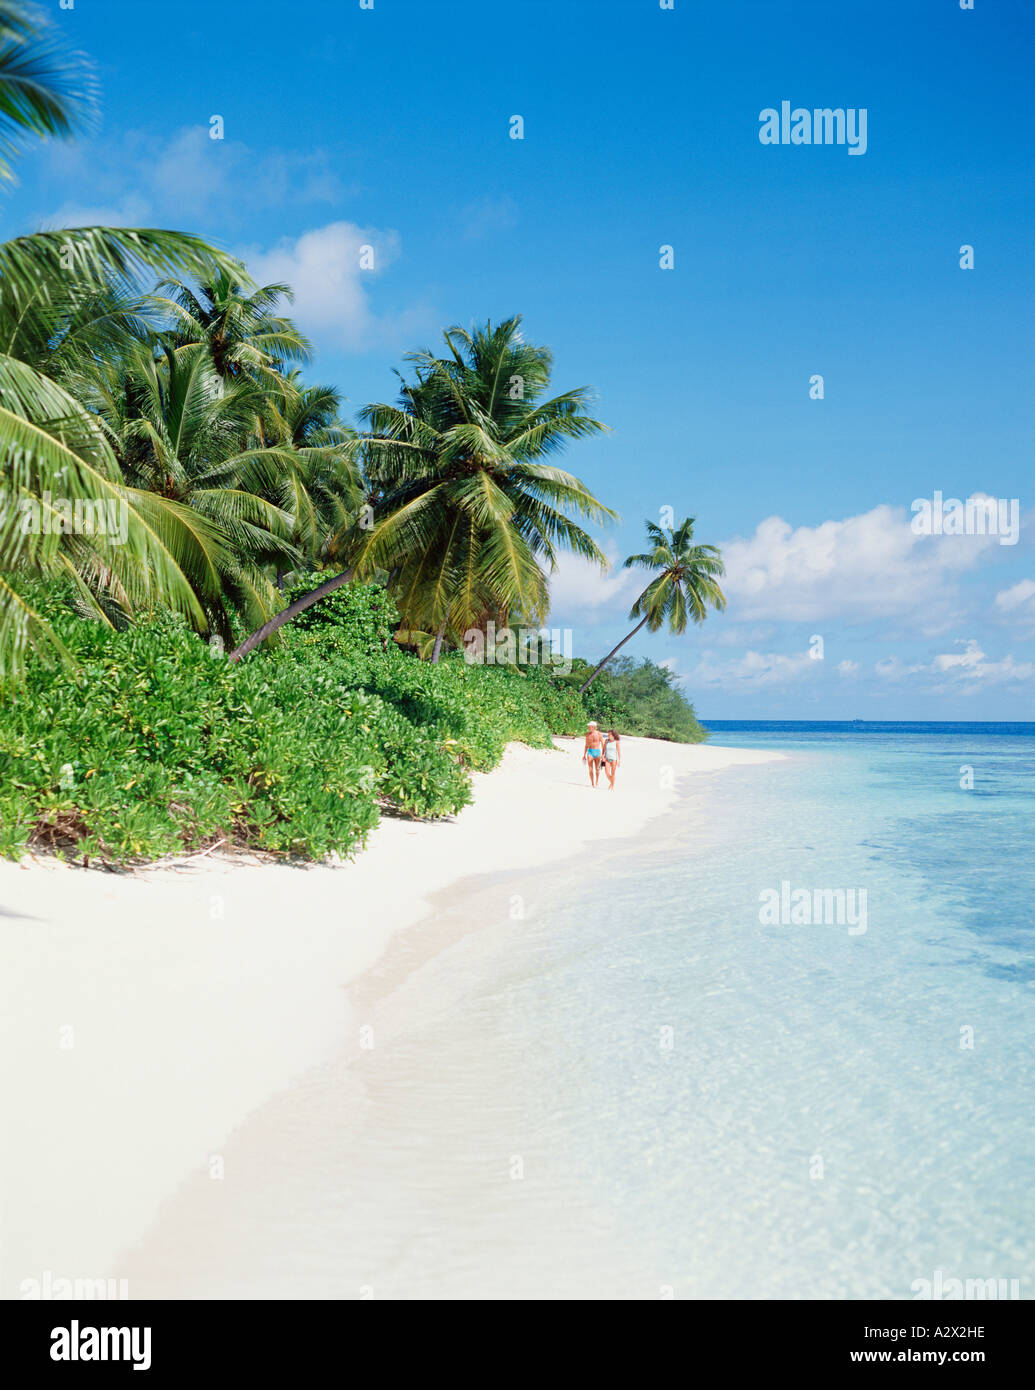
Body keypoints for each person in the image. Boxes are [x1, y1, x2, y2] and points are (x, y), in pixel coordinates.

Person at [582, 721, 605, 787]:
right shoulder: (587, 735)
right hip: (590, 752)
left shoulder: (599, 734)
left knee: (597, 769)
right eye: (588, 726)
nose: (588, 728)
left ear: (594, 727)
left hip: (597, 751)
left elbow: (603, 744)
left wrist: (603, 755)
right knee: (590, 768)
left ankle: (597, 782)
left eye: (590, 726)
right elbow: (586, 745)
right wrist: (584, 754)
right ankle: (592, 783)